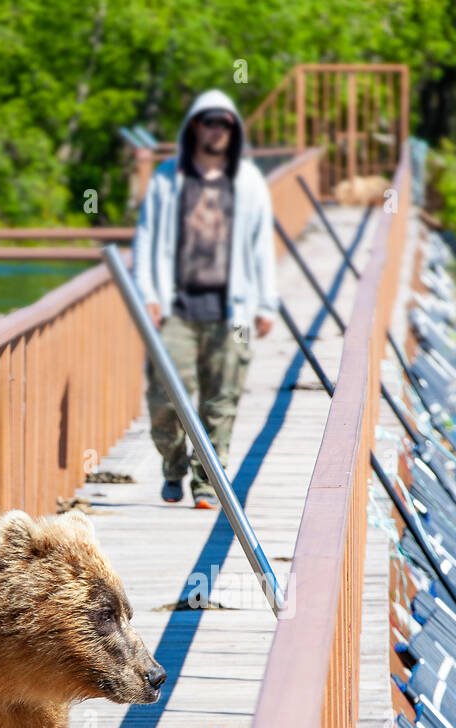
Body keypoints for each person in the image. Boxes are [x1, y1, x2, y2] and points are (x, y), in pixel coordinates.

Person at [132, 89, 278, 509]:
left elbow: (260, 245)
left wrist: (266, 304)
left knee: (222, 399)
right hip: (175, 305)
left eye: (226, 124)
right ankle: (174, 464)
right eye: (210, 122)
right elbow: (145, 240)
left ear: (234, 131)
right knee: (163, 399)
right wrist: (148, 295)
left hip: (233, 309)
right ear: (195, 126)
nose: (217, 130)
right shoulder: (167, 177)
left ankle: (207, 482)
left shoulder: (248, 180)